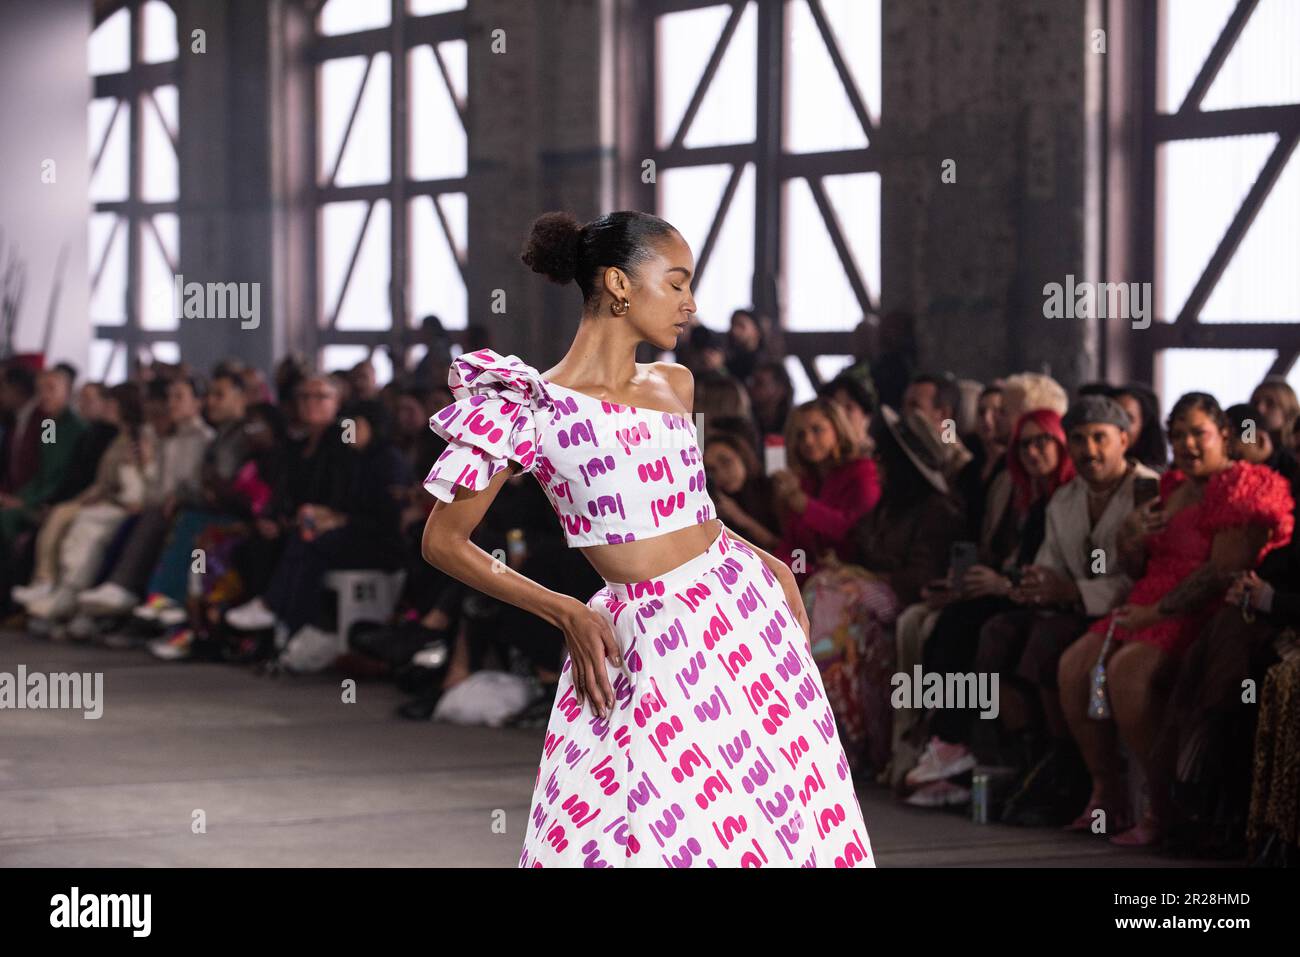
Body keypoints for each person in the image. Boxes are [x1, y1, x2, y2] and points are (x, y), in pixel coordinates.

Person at [422, 209, 874, 867]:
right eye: (677, 283)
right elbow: (443, 541)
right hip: (643, 631)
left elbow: (693, 513)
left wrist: (766, 561)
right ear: (618, 284)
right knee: (646, 828)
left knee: (773, 811)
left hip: (741, 611)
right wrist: (565, 609)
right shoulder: (529, 405)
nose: (691, 305)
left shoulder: (675, 384)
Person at [1058, 392, 1293, 847]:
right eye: (1178, 435)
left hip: (1204, 610)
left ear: (1224, 434)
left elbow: (1224, 570)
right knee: (1074, 667)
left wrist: (1155, 613)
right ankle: (1107, 792)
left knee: (1125, 673)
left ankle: (1166, 804)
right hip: (1148, 597)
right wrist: (1128, 535)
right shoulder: (1170, 486)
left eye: (1198, 433)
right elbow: (1133, 567)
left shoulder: (1244, 484)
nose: (1187, 444)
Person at [771, 397, 881, 585]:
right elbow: (793, 546)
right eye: (800, 435)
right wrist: (774, 572)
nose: (808, 441)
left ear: (838, 428)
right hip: (813, 580)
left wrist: (805, 506)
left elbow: (857, 533)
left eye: (817, 430)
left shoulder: (864, 472)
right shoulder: (805, 482)